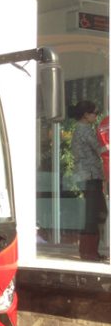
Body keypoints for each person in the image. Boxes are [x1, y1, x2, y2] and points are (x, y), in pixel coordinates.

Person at [70, 100, 107, 261]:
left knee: (95, 213)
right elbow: (100, 148)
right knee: (95, 213)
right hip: (90, 176)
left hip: (88, 175)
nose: (96, 116)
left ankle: (89, 251)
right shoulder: (85, 130)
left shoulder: (80, 129)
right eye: (94, 113)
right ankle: (89, 252)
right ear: (86, 115)